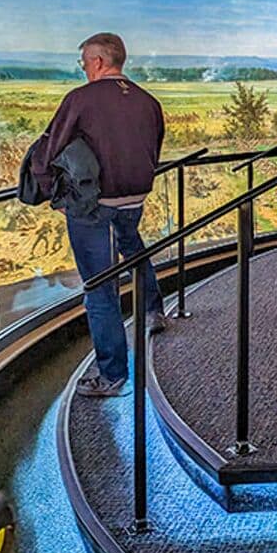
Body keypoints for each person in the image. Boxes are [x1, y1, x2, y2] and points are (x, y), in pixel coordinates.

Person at [28, 33, 166, 398]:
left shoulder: (80, 100)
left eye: (84, 62)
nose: (84, 68)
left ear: (99, 62)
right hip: (134, 200)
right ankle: (153, 311)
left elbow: (50, 147)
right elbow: (155, 149)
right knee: (132, 247)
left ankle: (112, 374)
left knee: (99, 287)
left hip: (93, 205)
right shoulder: (148, 101)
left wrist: (50, 193)